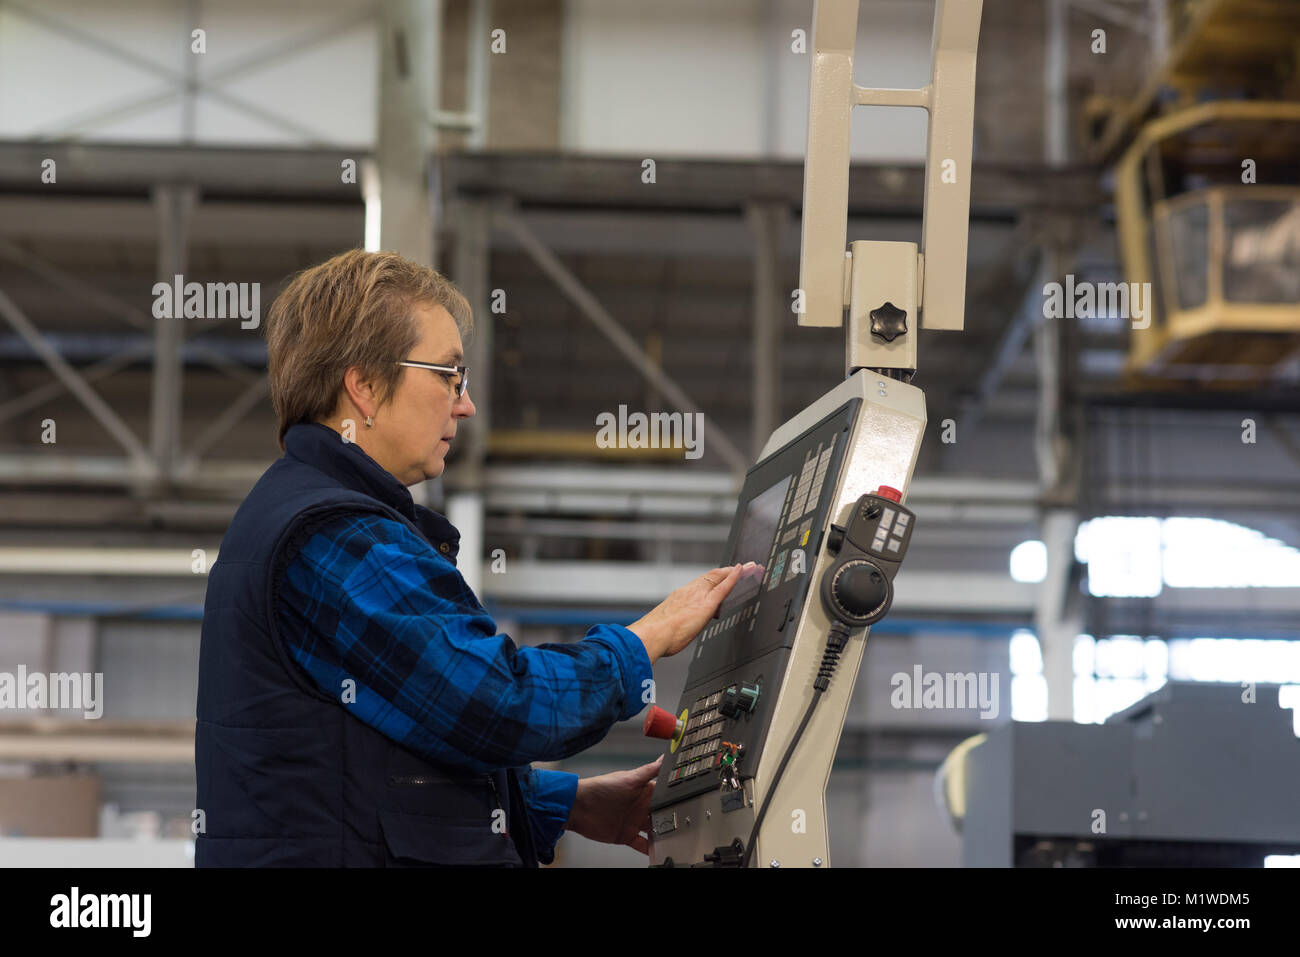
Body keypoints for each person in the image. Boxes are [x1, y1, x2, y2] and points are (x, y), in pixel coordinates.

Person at [195, 249, 746, 866]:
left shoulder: (310, 517)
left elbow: (391, 760)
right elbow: (499, 705)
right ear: (365, 386)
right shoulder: (338, 537)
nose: (465, 404)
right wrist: (647, 639)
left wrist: (566, 804)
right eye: (448, 375)